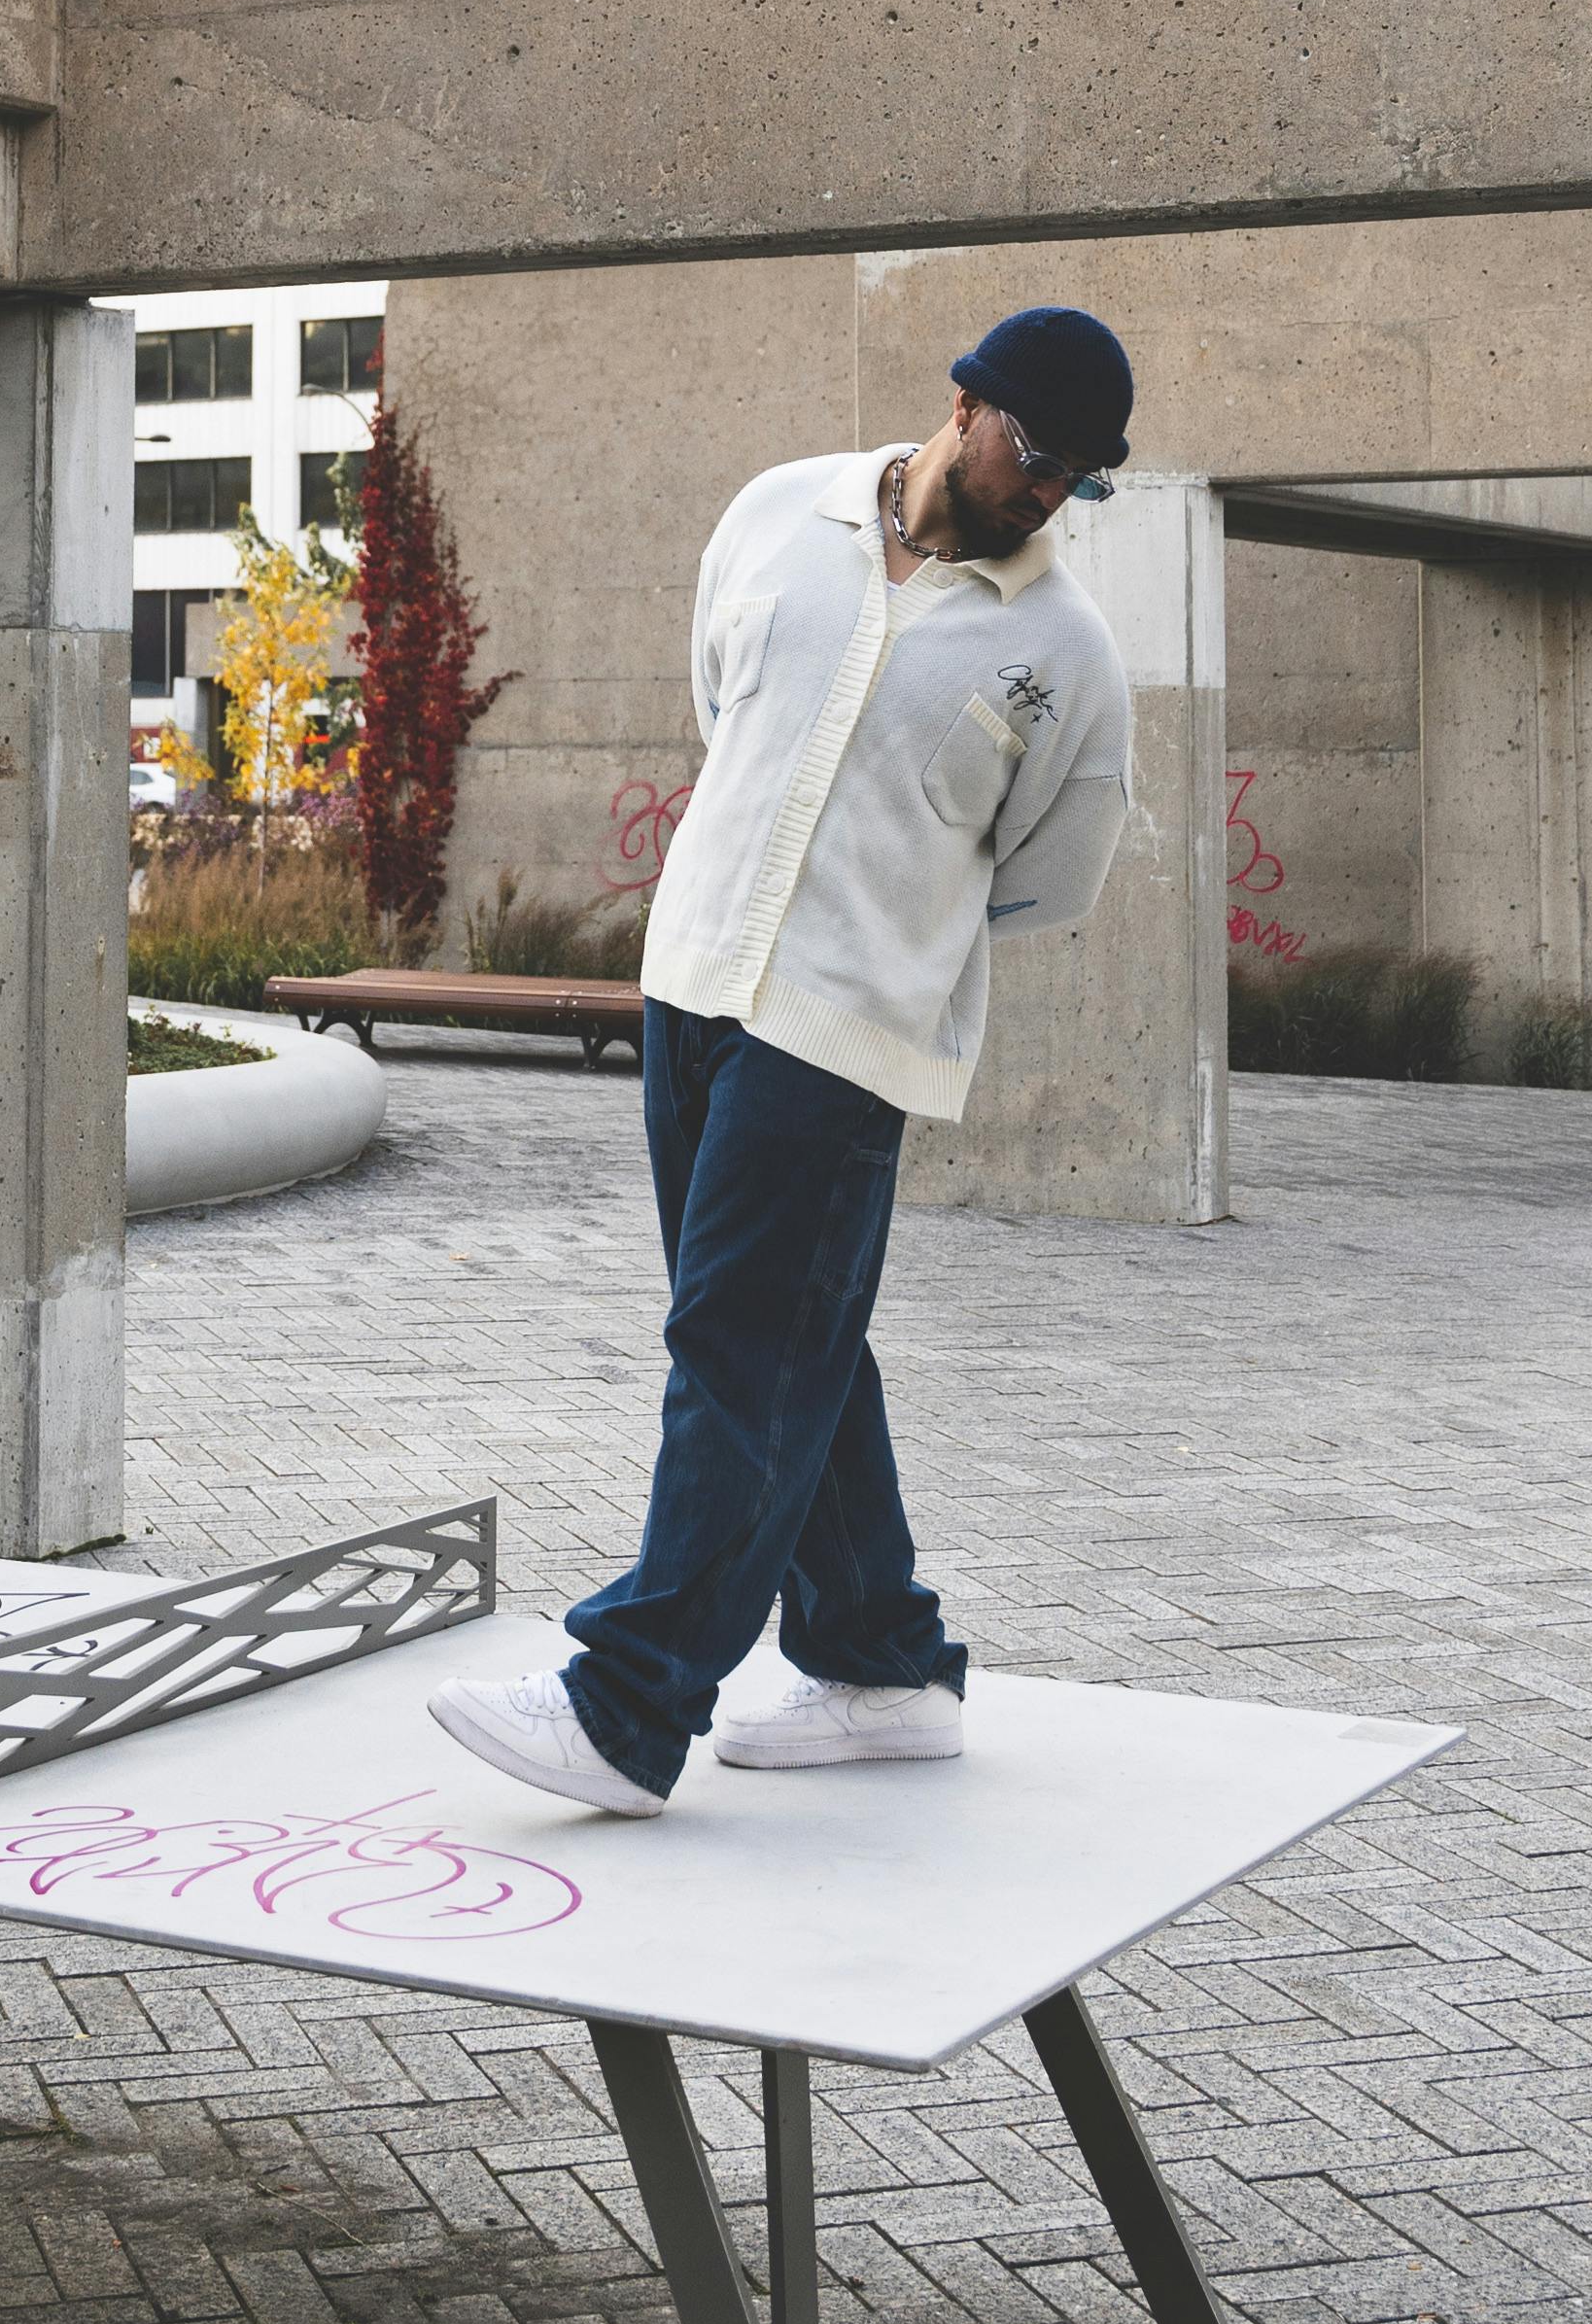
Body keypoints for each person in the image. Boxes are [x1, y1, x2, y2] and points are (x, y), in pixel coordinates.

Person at [426, 304, 1138, 1821]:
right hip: (692, 987)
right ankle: (884, 1663)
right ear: (967, 403)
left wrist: (888, 920)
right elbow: (727, 709)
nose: (1051, 490)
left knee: (740, 1352)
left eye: (1082, 477)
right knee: (793, 1343)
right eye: (1039, 451)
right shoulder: (776, 513)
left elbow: (1051, 878)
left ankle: (629, 1706)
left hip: (846, 1029)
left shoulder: (1062, 652)